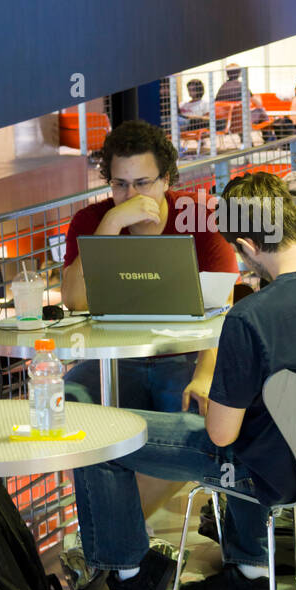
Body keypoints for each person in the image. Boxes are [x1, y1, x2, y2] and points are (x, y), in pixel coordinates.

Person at [71, 172, 296, 590]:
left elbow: (222, 436)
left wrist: (224, 398)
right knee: (259, 428)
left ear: (247, 245)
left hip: (275, 475)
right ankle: (249, 574)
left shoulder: (250, 317)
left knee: (95, 433)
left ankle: (130, 575)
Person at [61, 119, 238, 417]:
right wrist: (112, 224)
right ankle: (119, 448)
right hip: (115, 357)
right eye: (120, 184)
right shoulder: (91, 221)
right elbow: (74, 300)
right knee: (72, 400)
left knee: (194, 418)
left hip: (186, 355)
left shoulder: (200, 215)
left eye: (143, 183)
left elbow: (224, 307)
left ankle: (127, 445)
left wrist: (206, 373)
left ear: (166, 179)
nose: (132, 196)